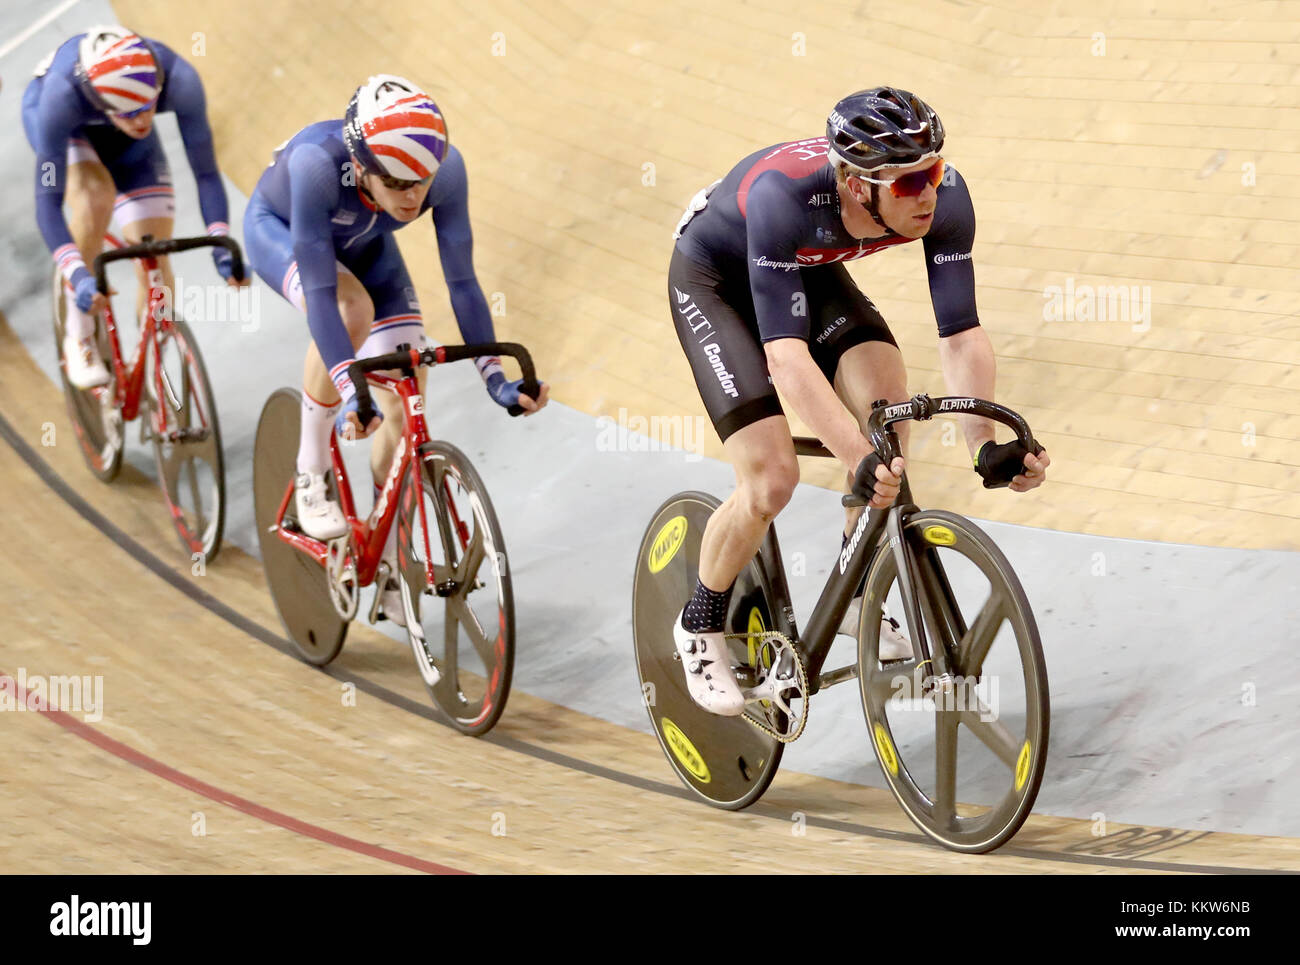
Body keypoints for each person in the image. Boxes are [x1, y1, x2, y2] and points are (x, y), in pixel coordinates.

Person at [667, 86, 1051, 715]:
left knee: (888, 407)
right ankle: (700, 623)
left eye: (931, 171)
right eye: (906, 185)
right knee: (771, 480)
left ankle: (849, 593)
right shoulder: (782, 200)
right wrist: (854, 457)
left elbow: (961, 335)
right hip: (715, 279)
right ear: (854, 184)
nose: (927, 193)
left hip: (800, 268)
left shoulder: (945, 199)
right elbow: (784, 359)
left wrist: (983, 442)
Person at [243, 74, 548, 624]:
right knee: (347, 311)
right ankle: (312, 467)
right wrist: (347, 387)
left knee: (407, 401)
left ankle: (385, 559)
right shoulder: (316, 168)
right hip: (282, 234)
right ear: (361, 168)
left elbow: (462, 282)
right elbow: (320, 294)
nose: (416, 197)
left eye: (423, 182)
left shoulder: (444, 171)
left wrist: (495, 379)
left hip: (367, 250)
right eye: (400, 184)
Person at [22, 25, 246, 388]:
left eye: (148, 108)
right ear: (101, 101)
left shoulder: (179, 79)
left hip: (122, 140)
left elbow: (205, 172)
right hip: (69, 130)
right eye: (130, 114)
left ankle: (152, 363)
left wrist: (220, 243)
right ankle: (79, 333)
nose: (143, 121)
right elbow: (46, 203)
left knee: (153, 252)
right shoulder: (58, 101)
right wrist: (77, 274)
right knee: (94, 198)